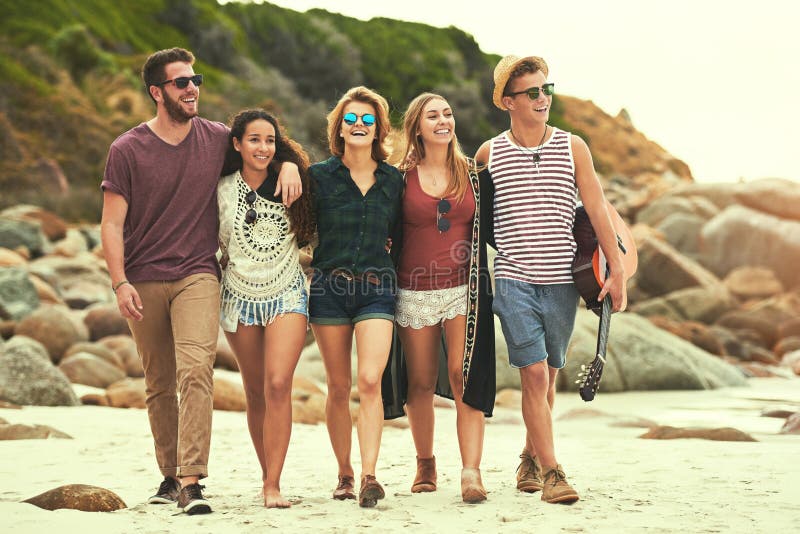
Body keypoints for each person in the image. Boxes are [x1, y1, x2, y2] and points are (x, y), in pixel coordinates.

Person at [100, 47, 301, 515]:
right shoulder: (127, 149)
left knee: (196, 371)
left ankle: (192, 480)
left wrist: (289, 162)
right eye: (181, 82)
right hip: (144, 276)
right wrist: (119, 282)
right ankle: (168, 476)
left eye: (196, 80)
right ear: (157, 92)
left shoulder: (214, 137)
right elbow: (111, 224)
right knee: (158, 381)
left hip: (198, 273)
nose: (192, 88)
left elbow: (264, 141)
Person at [475, 55, 627, 504]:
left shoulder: (572, 146)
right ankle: (554, 473)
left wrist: (617, 271)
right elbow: (474, 218)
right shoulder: (489, 154)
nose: (543, 99)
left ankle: (529, 456)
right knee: (534, 374)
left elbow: (598, 210)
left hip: (564, 282)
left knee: (552, 372)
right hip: (514, 281)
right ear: (508, 101)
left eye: (547, 89)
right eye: (532, 93)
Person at [384, 93, 495, 503]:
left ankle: (471, 471)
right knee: (420, 381)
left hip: (463, 290)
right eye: (433, 115)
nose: (443, 120)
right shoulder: (399, 177)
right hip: (414, 289)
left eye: (447, 113)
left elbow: (501, 226)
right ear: (417, 127)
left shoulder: (474, 175)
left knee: (463, 374)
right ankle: (426, 462)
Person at [308, 86, 404, 508]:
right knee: (337, 385)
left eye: (368, 119)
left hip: (376, 288)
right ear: (339, 128)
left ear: (379, 129)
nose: (360, 125)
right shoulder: (318, 177)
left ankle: (369, 475)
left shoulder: (394, 180)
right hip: (329, 287)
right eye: (351, 119)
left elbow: (403, 236)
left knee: (369, 380)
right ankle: (344, 473)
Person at [217, 109, 315, 508]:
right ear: (237, 144)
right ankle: (265, 475)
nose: (263, 147)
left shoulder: (292, 181)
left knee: (278, 385)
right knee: (255, 391)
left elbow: (317, 232)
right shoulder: (220, 189)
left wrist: (291, 165)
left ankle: (273, 484)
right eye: (254, 139)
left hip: (287, 292)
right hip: (238, 295)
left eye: (270, 140)